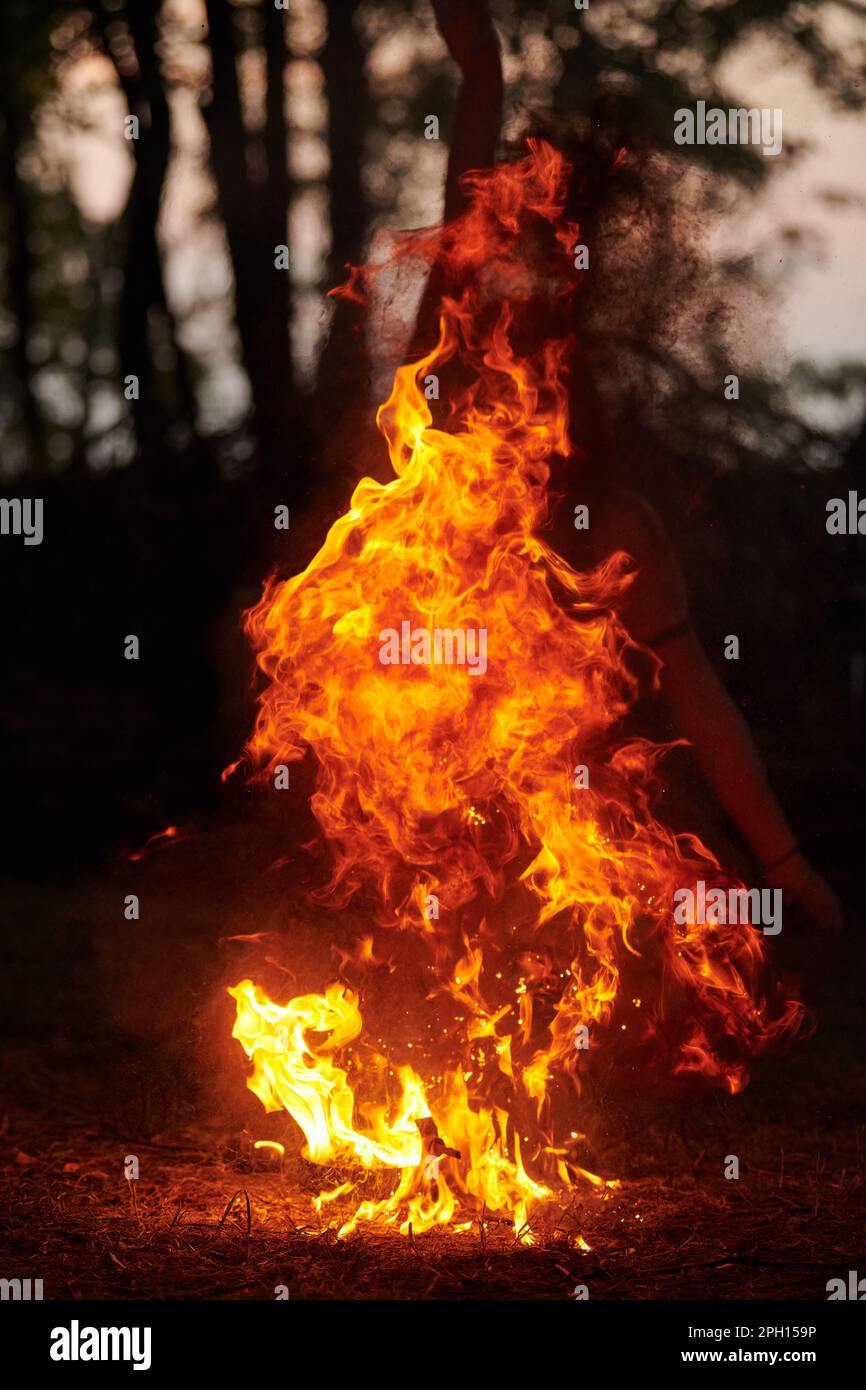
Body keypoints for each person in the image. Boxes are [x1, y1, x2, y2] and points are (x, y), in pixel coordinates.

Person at [422, 0, 843, 931]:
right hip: (409, 821)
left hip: (541, 849)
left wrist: (786, 865)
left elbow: (700, 700)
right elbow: (463, 202)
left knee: (673, 924)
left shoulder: (610, 530)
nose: (505, 381)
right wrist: (481, 75)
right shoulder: (435, 432)